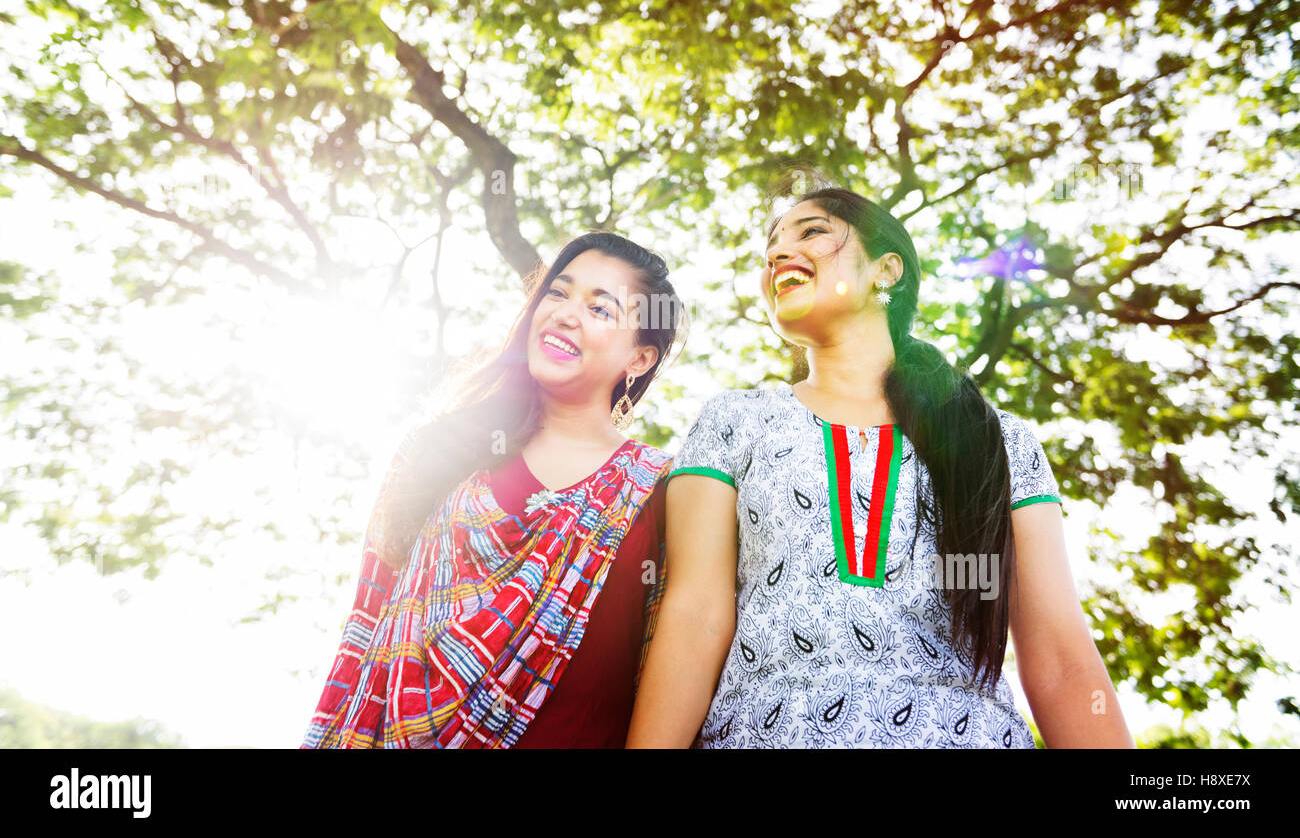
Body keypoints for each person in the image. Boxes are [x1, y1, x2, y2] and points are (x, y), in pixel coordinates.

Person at [627, 184, 1133, 748]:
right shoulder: (734, 421)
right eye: (771, 247)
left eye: (811, 231)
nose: (776, 255)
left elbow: (1062, 660)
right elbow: (695, 613)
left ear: (886, 270)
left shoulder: (999, 441)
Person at [303, 232, 684, 748]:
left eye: (600, 308)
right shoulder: (437, 455)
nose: (565, 314)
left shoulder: (660, 491)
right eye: (557, 292)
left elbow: (677, 665)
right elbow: (367, 636)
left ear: (638, 359)